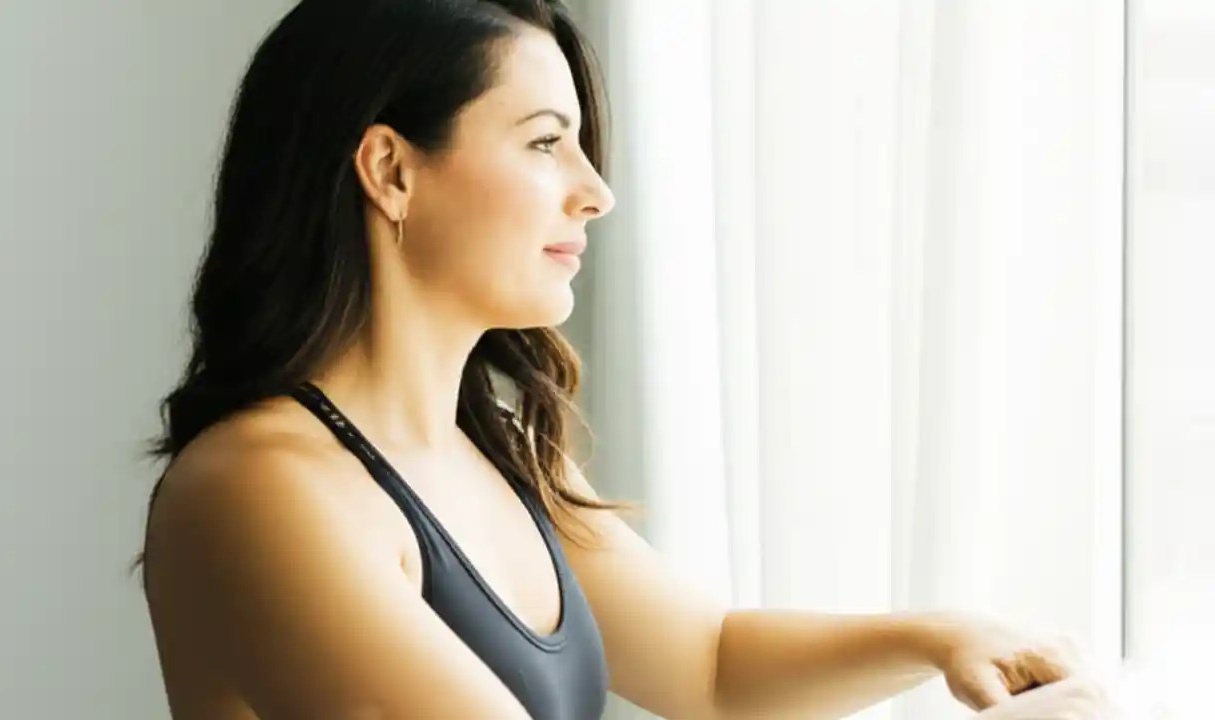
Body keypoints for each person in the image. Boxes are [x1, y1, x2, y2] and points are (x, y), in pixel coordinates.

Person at [135, 1, 1113, 718]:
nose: (594, 191)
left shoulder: (497, 448)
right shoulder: (259, 487)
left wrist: (939, 636)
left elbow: (710, 668)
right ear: (391, 170)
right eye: (544, 144)